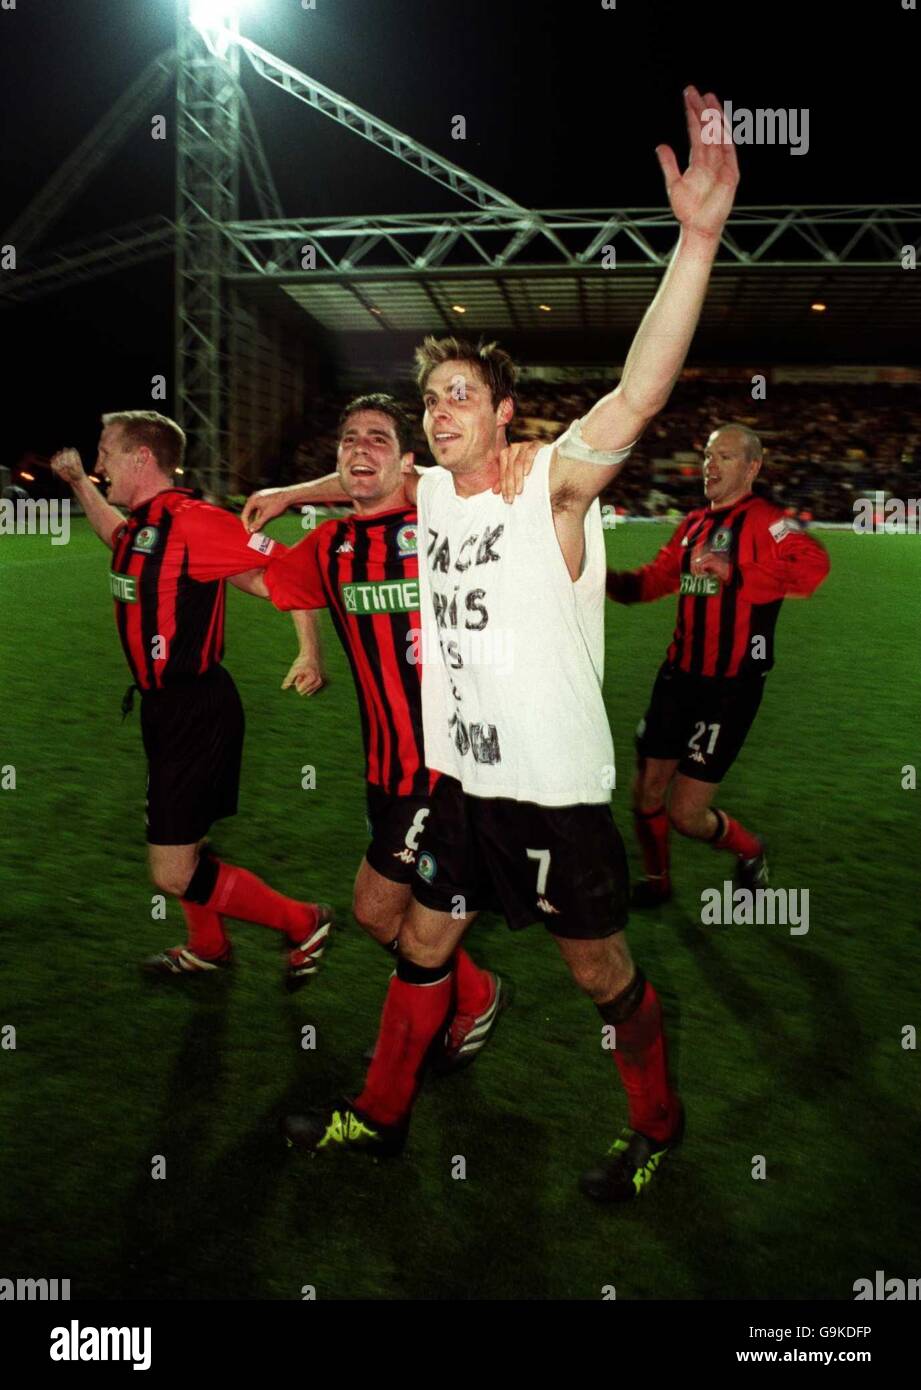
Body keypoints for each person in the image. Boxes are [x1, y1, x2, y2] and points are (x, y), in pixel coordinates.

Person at [278, 85, 739, 1201]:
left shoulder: (555, 492)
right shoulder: (428, 495)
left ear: (505, 416)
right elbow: (360, 470)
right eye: (431, 396)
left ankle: (658, 1124)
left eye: (461, 396)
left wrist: (699, 240)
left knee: (600, 971)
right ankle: (380, 1115)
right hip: (463, 790)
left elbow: (638, 393)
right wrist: (274, 488)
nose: (439, 411)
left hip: (555, 804)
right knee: (422, 945)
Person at [240, 394, 539, 1070]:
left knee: (374, 911)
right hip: (385, 768)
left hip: (445, 769)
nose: (359, 449)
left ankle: (426, 1037)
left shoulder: (440, 517)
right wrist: (199, 545)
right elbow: (268, 579)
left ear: (408, 460)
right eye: (348, 438)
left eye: (378, 438)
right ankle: (470, 993)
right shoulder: (332, 545)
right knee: (392, 920)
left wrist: (288, 491)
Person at [51, 411, 331, 986]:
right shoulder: (144, 525)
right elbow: (115, 536)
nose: (99, 462)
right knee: (186, 839)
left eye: (104, 452)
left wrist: (310, 652)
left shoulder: (195, 522)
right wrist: (79, 482)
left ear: (141, 459)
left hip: (195, 711)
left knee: (173, 871)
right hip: (163, 709)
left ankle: (303, 921)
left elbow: (286, 570)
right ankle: (208, 945)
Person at [606, 422, 830, 906]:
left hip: (730, 691)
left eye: (724, 457)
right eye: (708, 455)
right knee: (645, 791)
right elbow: (652, 581)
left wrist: (740, 572)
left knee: (687, 815)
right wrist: (598, 580)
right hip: (677, 680)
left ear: (752, 467)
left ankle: (749, 849)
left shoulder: (772, 523)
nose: (711, 464)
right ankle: (657, 883)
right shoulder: (692, 527)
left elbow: (813, 568)